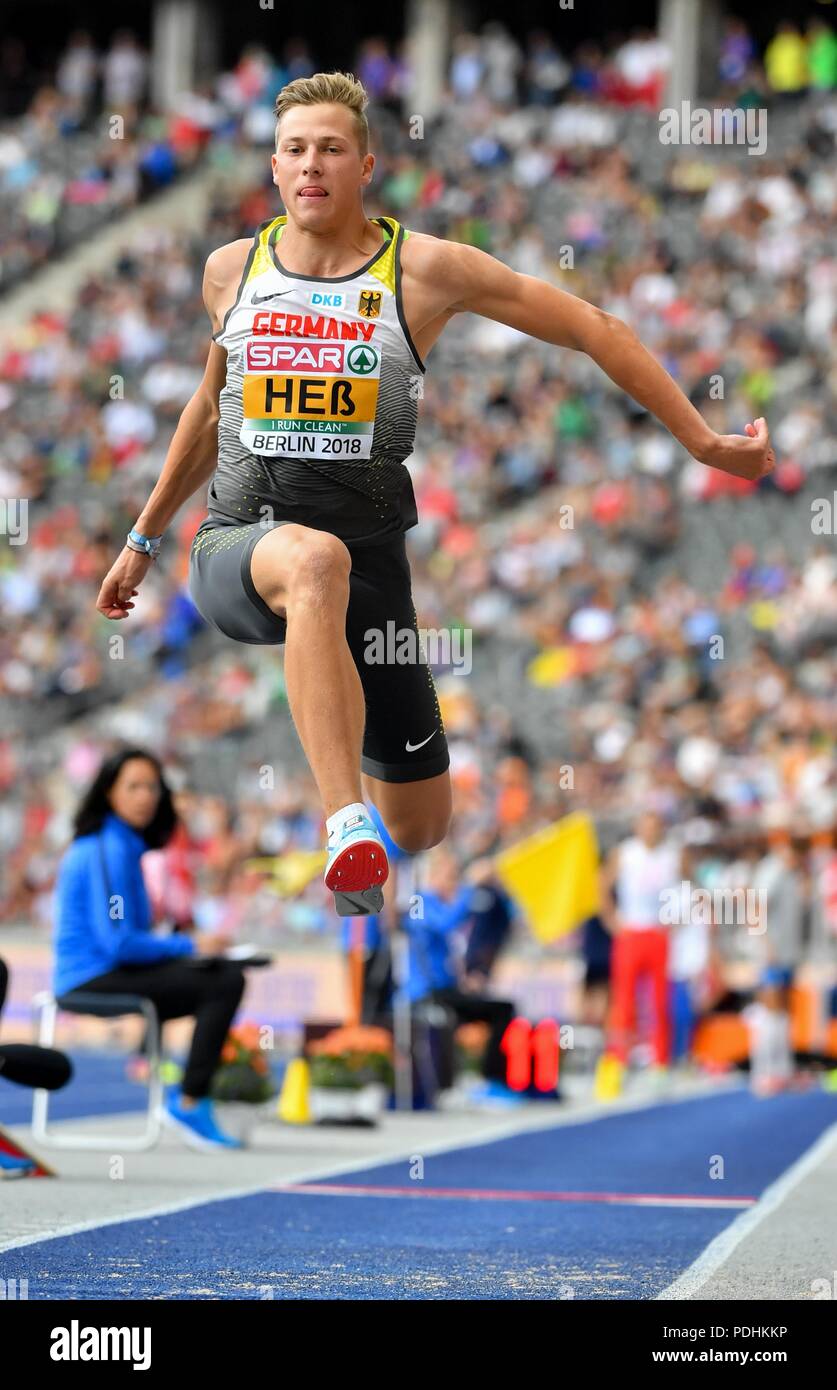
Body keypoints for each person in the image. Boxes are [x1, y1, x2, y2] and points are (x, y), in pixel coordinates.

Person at [95, 70, 775, 921]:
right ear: (273, 168)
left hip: (371, 569)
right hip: (244, 545)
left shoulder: (423, 271)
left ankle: (375, 833)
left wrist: (701, 439)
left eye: (331, 150)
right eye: (296, 150)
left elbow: (594, 328)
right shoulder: (233, 271)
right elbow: (207, 408)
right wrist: (144, 537)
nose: (312, 166)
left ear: (365, 165)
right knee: (312, 559)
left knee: (420, 826)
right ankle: (345, 824)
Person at [53, 747, 246, 1151]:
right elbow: (118, 943)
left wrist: (187, 949)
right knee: (225, 981)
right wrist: (189, 945)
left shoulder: (125, 844)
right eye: (134, 786)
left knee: (219, 976)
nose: (145, 796)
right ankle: (190, 1102)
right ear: (109, 793)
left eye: (152, 787)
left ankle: (189, 1097)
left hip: (106, 970)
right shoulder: (108, 847)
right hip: (90, 977)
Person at [402, 848, 516, 1101]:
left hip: (447, 990)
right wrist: (471, 885)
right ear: (432, 875)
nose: (454, 883)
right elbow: (446, 923)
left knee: (502, 1008)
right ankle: (489, 1080)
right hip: (427, 993)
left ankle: (488, 1081)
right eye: (450, 876)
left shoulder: (439, 904)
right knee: (501, 1010)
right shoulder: (418, 902)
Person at [600, 811, 685, 1090]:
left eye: (655, 827)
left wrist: (676, 919)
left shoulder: (672, 855)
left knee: (660, 1001)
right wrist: (612, 920)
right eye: (645, 826)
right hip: (631, 933)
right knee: (624, 1001)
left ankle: (659, 1064)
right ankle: (618, 1061)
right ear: (637, 828)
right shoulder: (625, 854)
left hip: (658, 934)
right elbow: (601, 885)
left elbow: (687, 886)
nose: (650, 832)